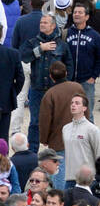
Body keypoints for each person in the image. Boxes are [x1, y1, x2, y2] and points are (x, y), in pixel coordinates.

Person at [23, 16, 73, 150]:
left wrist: (66, 86)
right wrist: (40, 49)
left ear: (53, 26)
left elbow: (69, 66)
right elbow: (24, 56)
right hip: (37, 89)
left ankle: (55, 150)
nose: (42, 24)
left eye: (45, 22)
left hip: (56, 90)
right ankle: (32, 152)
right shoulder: (33, 42)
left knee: (57, 121)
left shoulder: (62, 45)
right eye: (41, 22)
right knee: (35, 122)